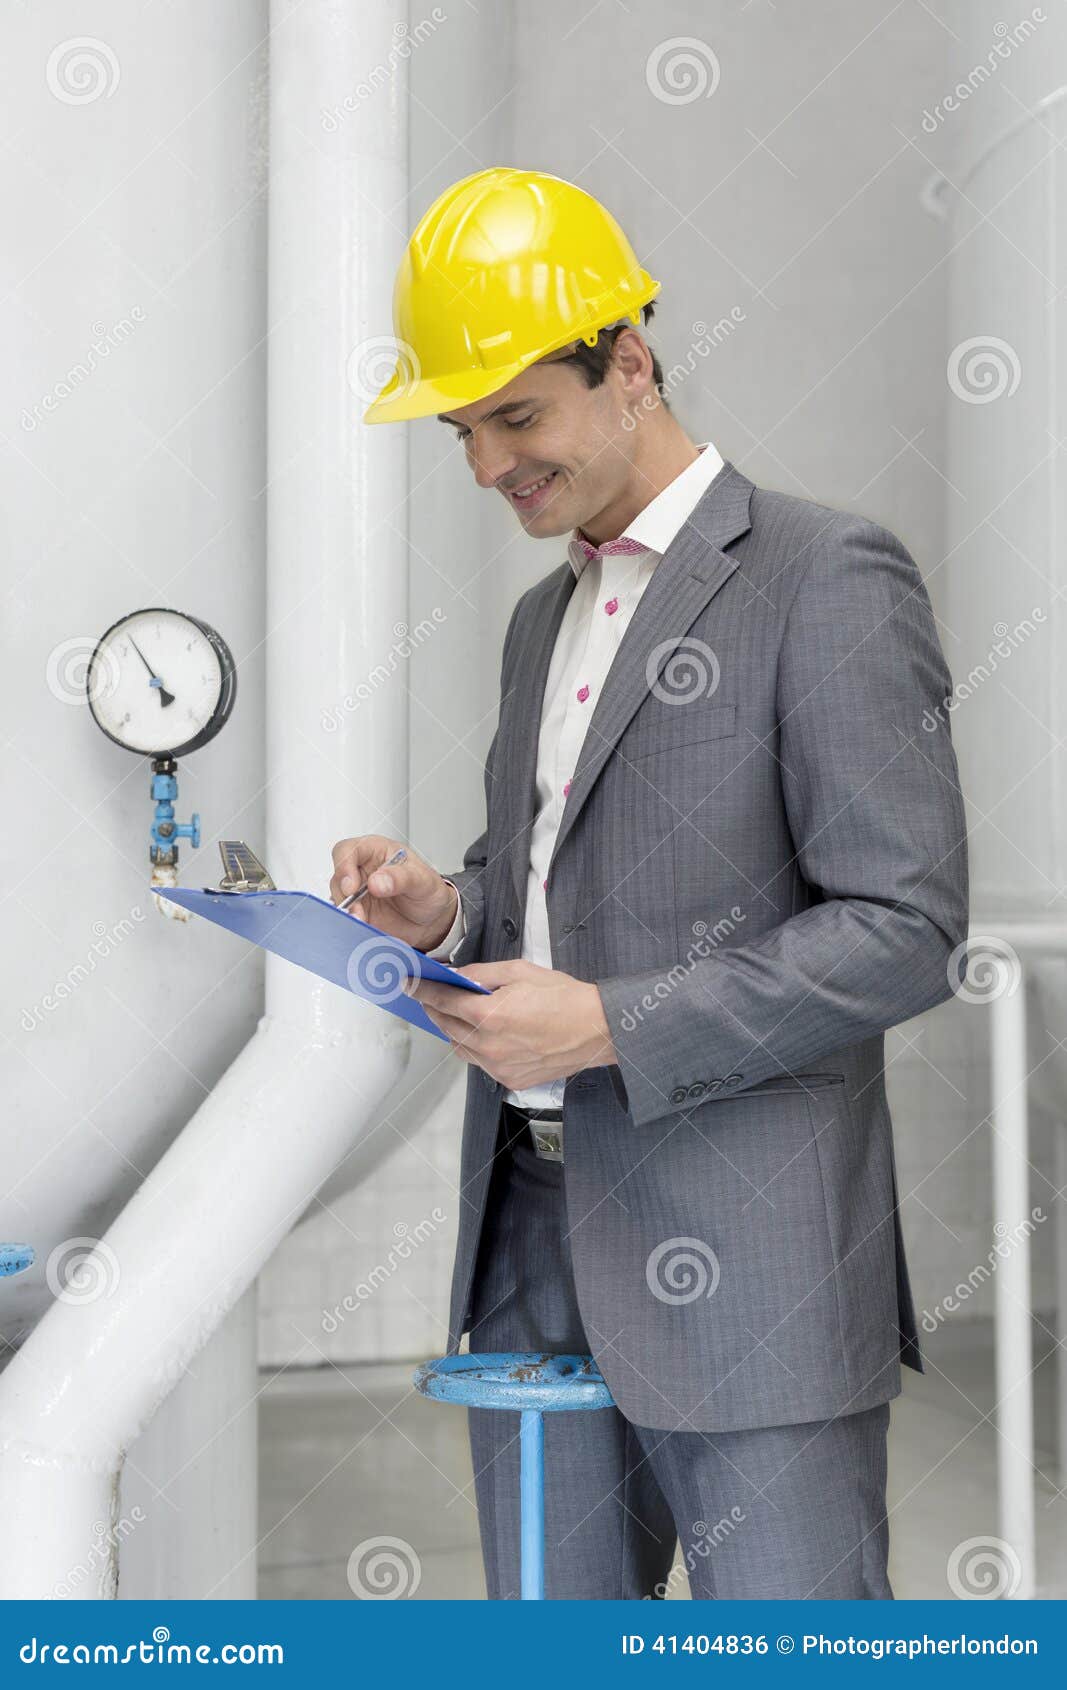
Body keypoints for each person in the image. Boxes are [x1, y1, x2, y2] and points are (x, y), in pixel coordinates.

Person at [330, 167, 970, 1600]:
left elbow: (907, 929)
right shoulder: (538, 620)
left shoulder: (822, 577)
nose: (488, 466)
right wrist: (451, 909)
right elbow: (556, 882)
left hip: (751, 1263)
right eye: (462, 431)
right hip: (530, 1242)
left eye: (516, 417)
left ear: (629, 363)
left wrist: (612, 1024)